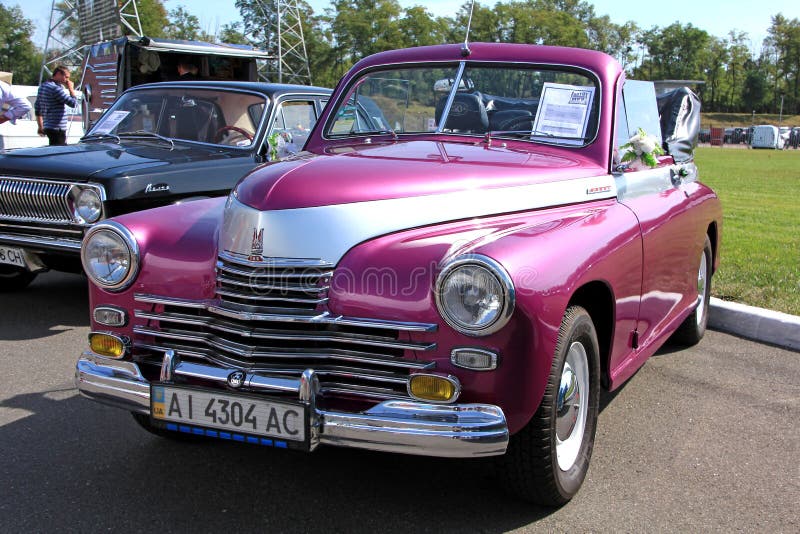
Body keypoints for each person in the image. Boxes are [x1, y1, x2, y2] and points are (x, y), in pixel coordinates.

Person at [35, 66, 78, 146]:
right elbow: (73, 103)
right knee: (59, 152)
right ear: (58, 74)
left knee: (53, 149)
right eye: (66, 77)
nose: (67, 80)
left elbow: (38, 107)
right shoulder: (55, 89)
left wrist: (40, 126)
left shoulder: (43, 87)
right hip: (57, 127)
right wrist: (71, 89)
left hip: (48, 126)